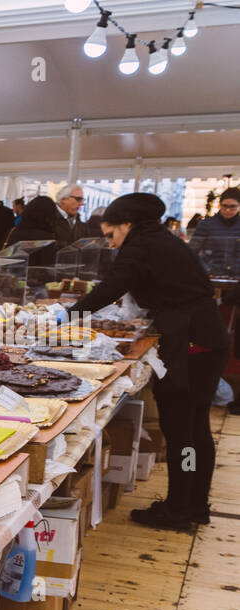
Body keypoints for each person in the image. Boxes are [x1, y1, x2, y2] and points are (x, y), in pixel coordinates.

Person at [67, 193, 230, 529]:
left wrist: (67, 317)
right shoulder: (157, 239)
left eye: (111, 235)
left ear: (127, 224)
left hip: (192, 344)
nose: (111, 244)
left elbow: (111, 286)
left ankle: (180, 510)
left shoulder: (141, 246)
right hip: (203, 338)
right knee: (194, 428)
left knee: (183, 430)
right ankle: (191, 505)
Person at [188, 186, 240, 279]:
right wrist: (203, 269)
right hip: (211, 275)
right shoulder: (206, 224)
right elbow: (192, 250)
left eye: (233, 206)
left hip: (236, 276)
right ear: (219, 205)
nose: (228, 210)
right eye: (224, 206)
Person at [3, 195, 61, 267]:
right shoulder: (46, 238)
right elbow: (48, 266)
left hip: (13, 275)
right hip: (36, 276)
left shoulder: (13, 231)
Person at [54, 184, 95, 248]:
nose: (81, 204)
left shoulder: (80, 224)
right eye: (78, 199)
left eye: (82, 200)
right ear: (64, 199)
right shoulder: (47, 220)